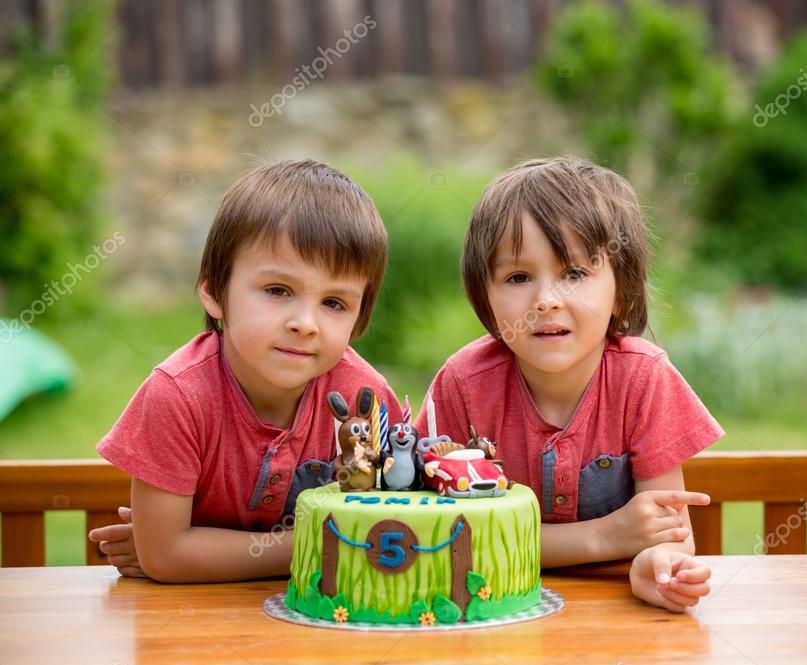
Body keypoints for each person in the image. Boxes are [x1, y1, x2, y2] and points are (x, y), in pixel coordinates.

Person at [415, 158, 724, 612]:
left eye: (575, 274)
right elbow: (441, 536)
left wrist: (658, 568)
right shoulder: (463, 385)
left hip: (609, 623)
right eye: (518, 277)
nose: (545, 301)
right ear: (485, 295)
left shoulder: (644, 379)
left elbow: (668, 535)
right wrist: (605, 536)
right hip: (484, 615)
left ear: (623, 291)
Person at [88, 160, 399, 582]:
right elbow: (165, 555)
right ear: (215, 293)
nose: (305, 323)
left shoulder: (366, 398)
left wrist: (197, 552)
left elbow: (391, 531)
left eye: (334, 303)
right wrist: (324, 545)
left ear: (359, 321)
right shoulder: (178, 397)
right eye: (277, 291)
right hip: (190, 630)